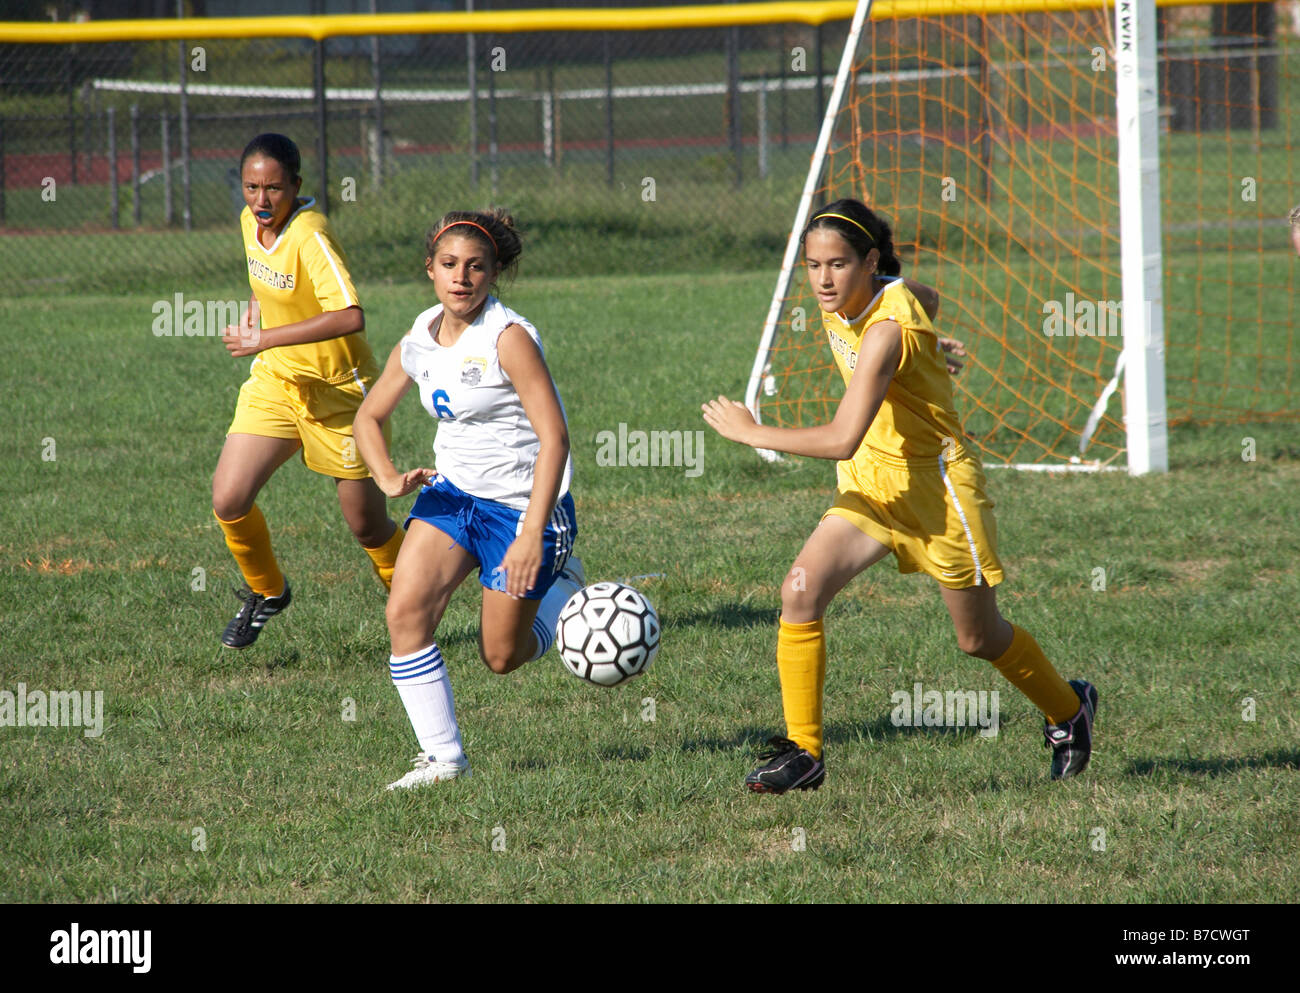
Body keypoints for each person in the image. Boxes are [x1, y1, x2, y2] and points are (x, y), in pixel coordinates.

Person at [702, 198, 1096, 793]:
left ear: (870, 262)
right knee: (799, 591)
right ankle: (805, 753)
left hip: (937, 491)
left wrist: (751, 431)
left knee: (977, 638)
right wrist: (936, 344)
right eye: (813, 266)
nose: (824, 279)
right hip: (871, 480)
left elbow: (840, 437)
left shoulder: (887, 329)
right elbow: (926, 299)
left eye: (837, 265)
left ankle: (1068, 709)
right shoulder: (882, 288)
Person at [353, 209, 582, 790]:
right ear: (429, 269)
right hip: (454, 497)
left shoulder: (508, 339)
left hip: (523, 507)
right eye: (450, 265)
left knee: (500, 658)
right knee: (405, 613)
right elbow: (369, 416)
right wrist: (385, 478)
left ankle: (563, 591)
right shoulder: (421, 334)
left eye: (476, 267)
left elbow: (555, 439)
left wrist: (532, 533)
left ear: (493, 272)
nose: (462, 277)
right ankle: (444, 759)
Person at [212, 133, 404, 649]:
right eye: (252, 187)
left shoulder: (311, 234)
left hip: (340, 393)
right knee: (229, 498)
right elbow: (264, 278)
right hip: (278, 380)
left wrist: (263, 337)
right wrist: (258, 311)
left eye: (274, 188)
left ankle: (414, 607)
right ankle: (266, 592)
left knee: (367, 525)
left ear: (296, 186)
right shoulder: (250, 224)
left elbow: (350, 315)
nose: (261, 199)